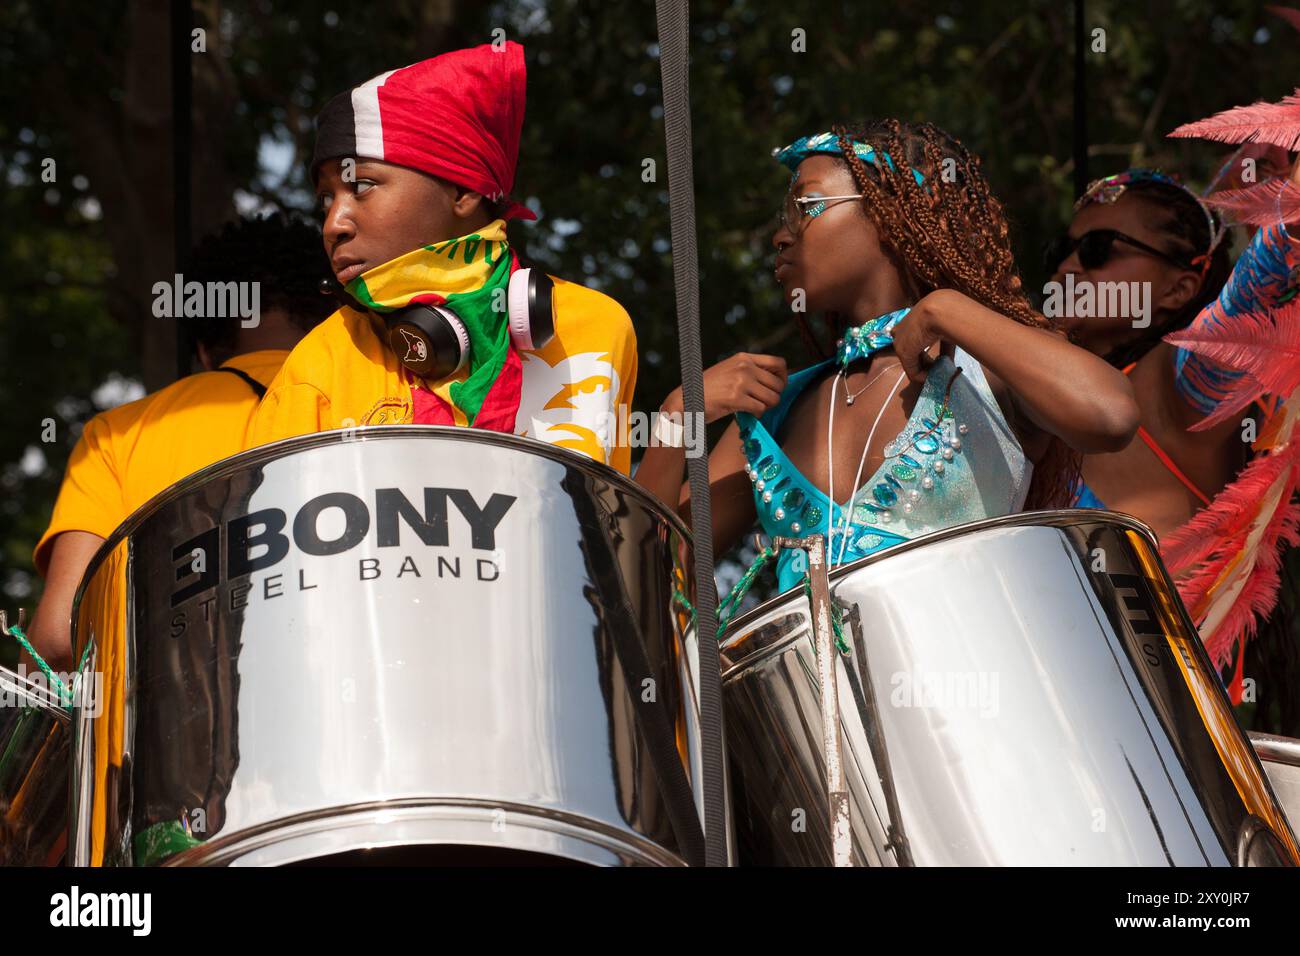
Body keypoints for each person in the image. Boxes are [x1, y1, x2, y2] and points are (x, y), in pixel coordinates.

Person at [635, 120, 1138, 595]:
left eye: (804, 208)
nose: (781, 236)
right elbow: (651, 582)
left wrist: (947, 308)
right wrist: (676, 418)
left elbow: (1110, 415)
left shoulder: (987, 366)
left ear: (888, 213)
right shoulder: (773, 412)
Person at [244, 42, 638, 475]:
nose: (333, 223)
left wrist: (675, 421)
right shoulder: (320, 362)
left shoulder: (598, 327)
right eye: (324, 199)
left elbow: (611, 531)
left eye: (363, 186)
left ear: (463, 190)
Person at [24, 213, 333, 673]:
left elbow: (58, 638)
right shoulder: (394, 395)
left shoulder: (120, 434)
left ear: (205, 347)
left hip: (173, 734)